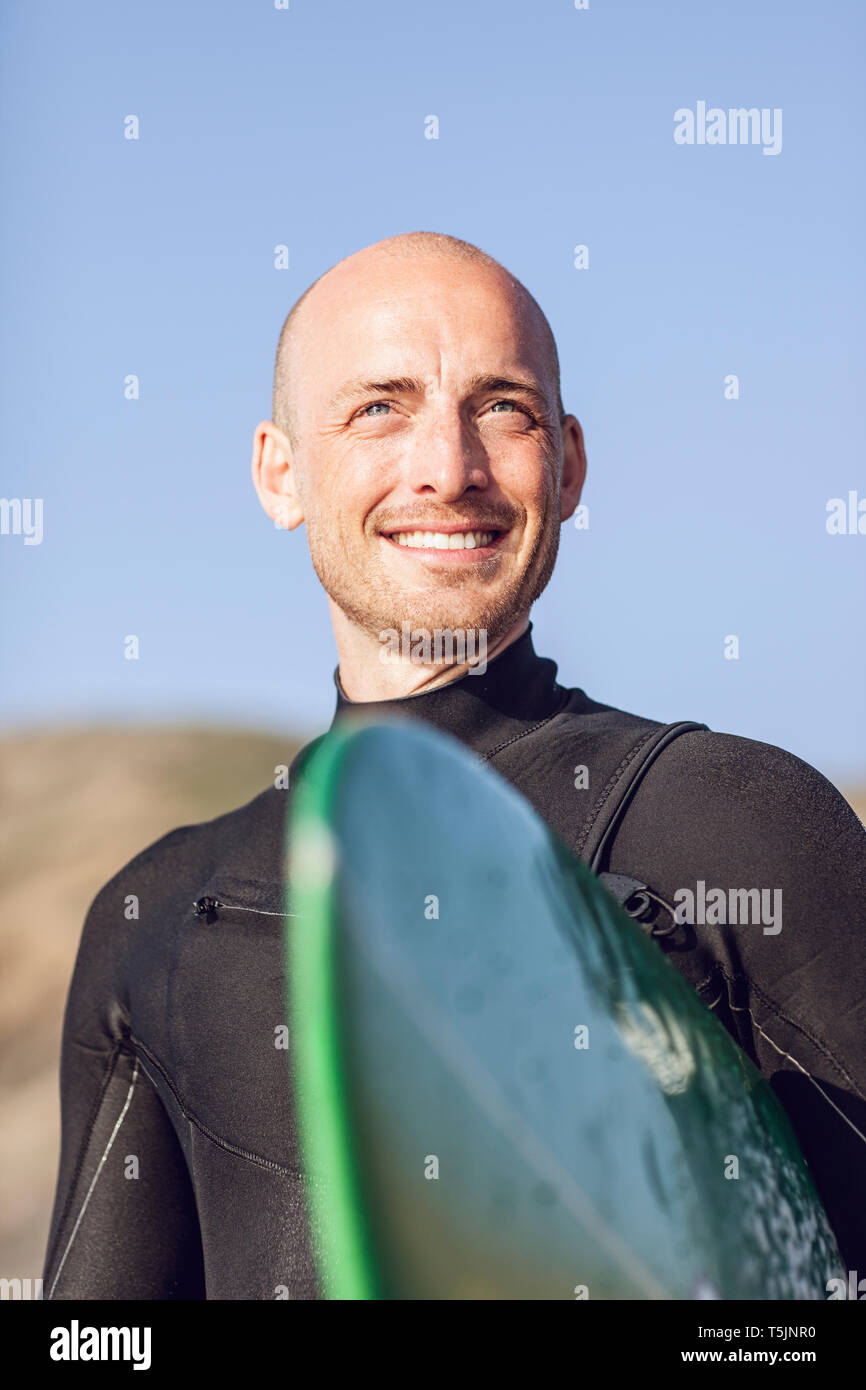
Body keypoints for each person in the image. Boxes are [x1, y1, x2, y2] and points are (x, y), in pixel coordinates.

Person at [43, 232, 866, 1299]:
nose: (448, 466)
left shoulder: (738, 821)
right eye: (378, 407)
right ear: (279, 472)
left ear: (566, 466)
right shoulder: (154, 910)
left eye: (501, 408)